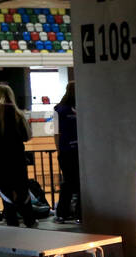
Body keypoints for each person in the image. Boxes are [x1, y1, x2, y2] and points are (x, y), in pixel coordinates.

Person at [0, 83, 35, 227]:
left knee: (6, 191)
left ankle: (12, 222)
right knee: (22, 191)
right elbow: (28, 136)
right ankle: (29, 220)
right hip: (17, 159)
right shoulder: (19, 114)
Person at [53, 81, 79, 223]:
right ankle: (80, 214)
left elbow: (56, 133)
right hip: (80, 151)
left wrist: (59, 150)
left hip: (66, 151)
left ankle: (62, 213)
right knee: (80, 183)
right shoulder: (81, 108)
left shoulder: (59, 110)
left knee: (68, 182)